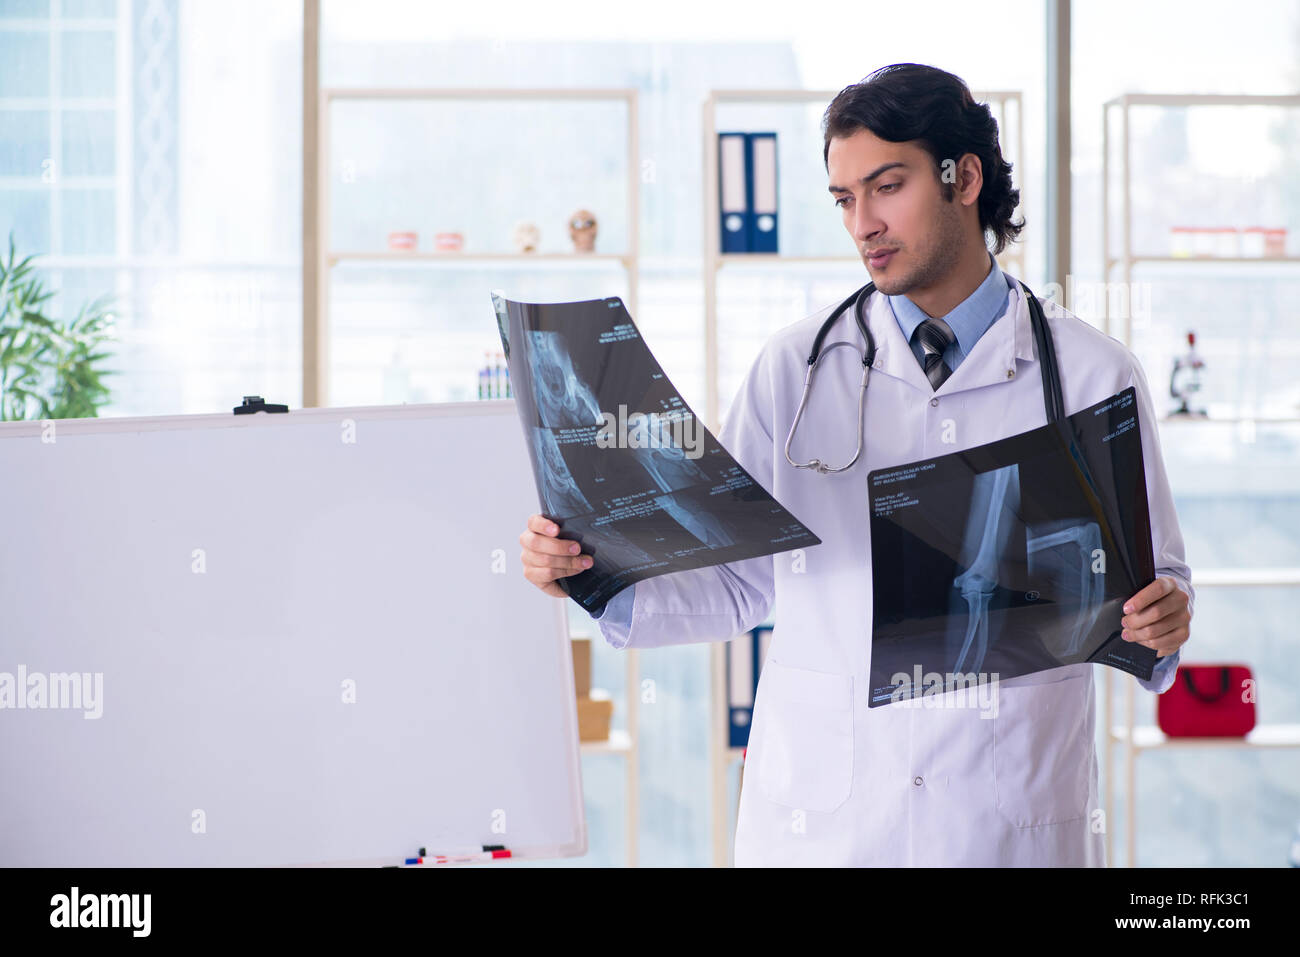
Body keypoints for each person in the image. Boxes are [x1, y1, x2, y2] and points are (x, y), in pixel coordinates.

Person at [518, 63, 1193, 866]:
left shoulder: (1090, 374)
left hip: (1007, 822)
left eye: (886, 186)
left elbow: (1159, 584)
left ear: (964, 177)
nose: (863, 222)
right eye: (844, 198)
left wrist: (1165, 614)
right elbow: (743, 580)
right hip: (826, 825)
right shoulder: (795, 369)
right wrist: (593, 571)